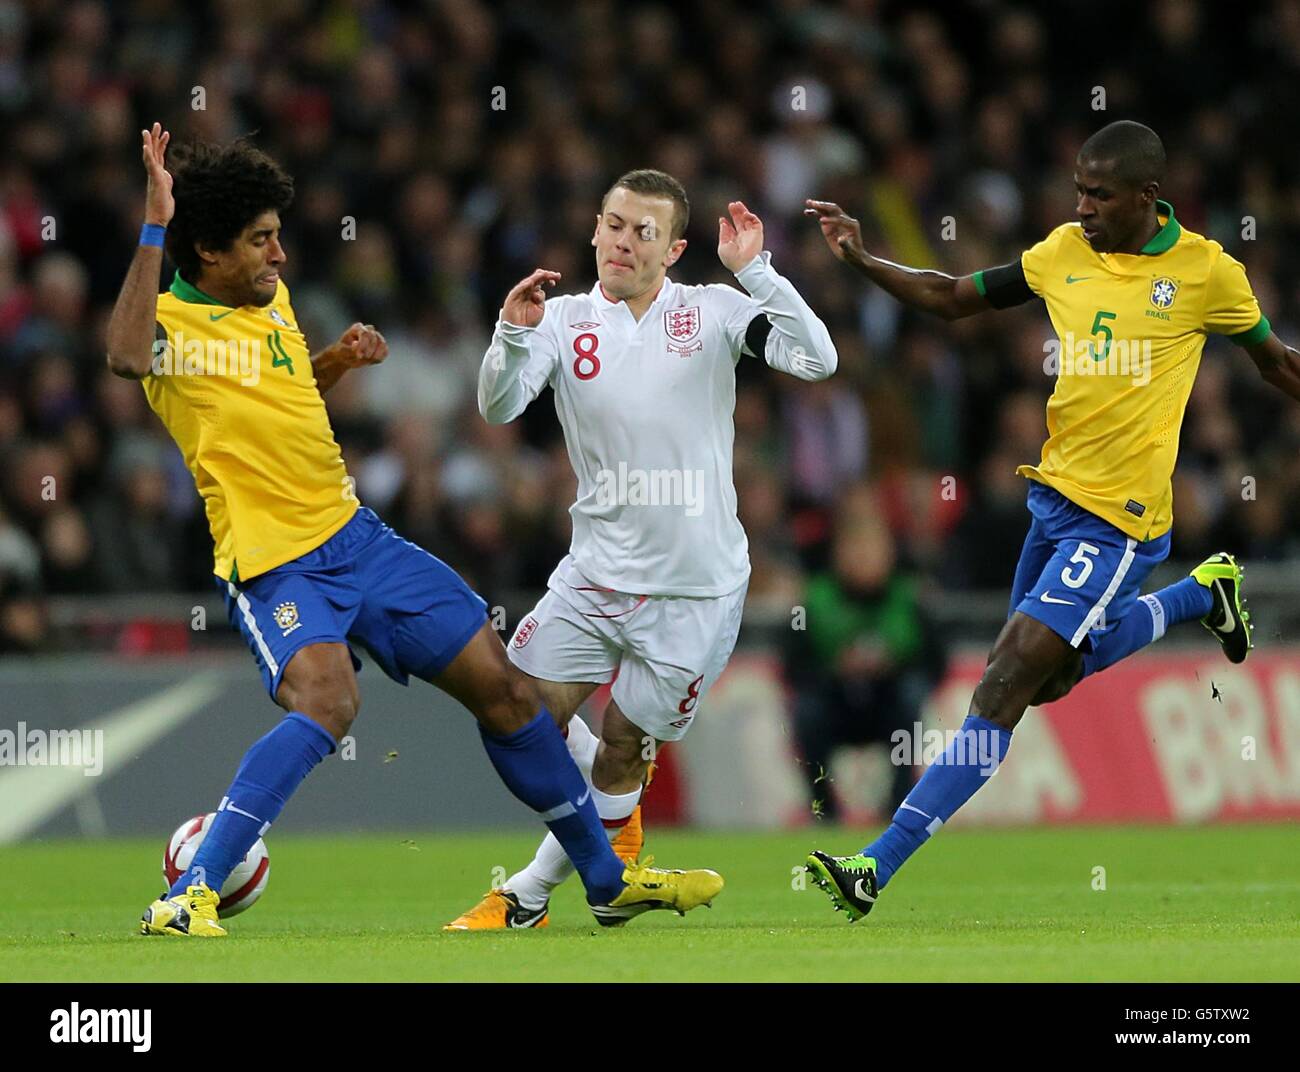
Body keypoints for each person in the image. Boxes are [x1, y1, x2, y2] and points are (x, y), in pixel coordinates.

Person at [108, 125, 721, 937]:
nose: (280, 257)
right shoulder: (173, 333)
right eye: (262, 242)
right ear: (209, 253)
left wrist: (331, 363)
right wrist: (155, 222)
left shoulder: (268, 303)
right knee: (330, 701)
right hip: (276, 569)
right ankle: (189, 895)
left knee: (506, 690)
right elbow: (122, 357)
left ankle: (607, 881)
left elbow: (274, 396)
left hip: (360, 541)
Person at [801, 120, 1300, 921]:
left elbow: (1276, 364)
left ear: (1149, 196)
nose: (1083, 205)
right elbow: (954, 298)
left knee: (1002, 680)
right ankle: (1201, 595)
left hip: (1121, 522)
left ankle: (873, 867)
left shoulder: (1207, 273)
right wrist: (864, 258)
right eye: (1078, 190)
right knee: (1049, 679)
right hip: (1053, 501)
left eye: (1100, 194)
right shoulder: (1062, 251)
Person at [445, 169, 837, 929]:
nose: (624, 242)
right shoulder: (560, 320)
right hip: (592, 575)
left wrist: (756, 272)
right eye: (614, 225)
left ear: (674, 248)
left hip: (694, 590)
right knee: (511, 710)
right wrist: (510, 331)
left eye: (643, 232)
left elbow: (817, 359)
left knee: (624, 745)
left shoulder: (714, 312)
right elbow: (497, 407)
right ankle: (605, 846)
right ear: (595, 228)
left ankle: (529, 893)